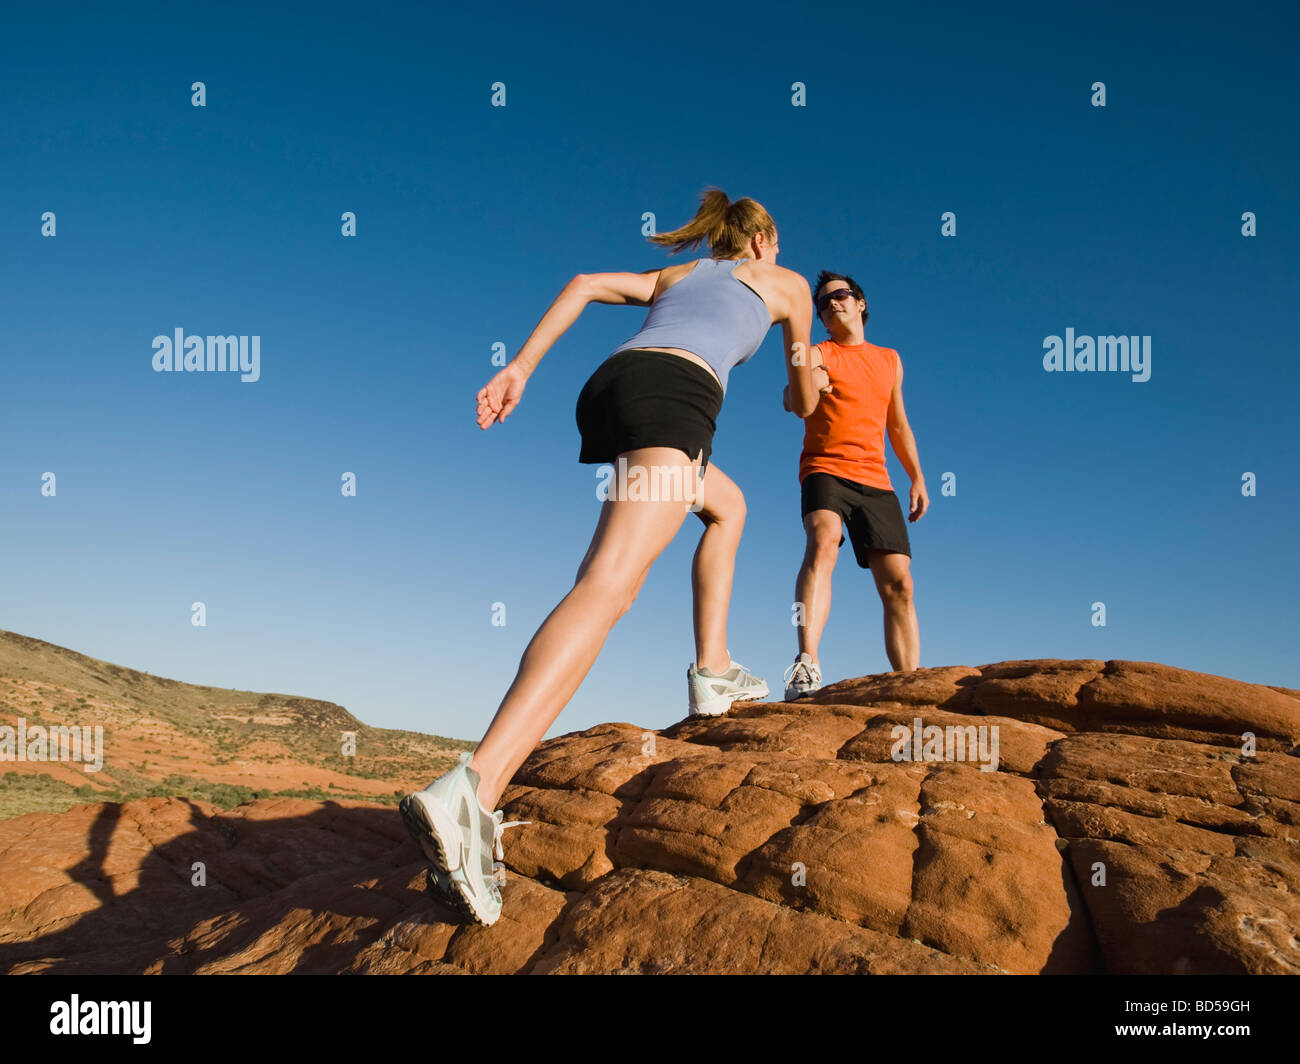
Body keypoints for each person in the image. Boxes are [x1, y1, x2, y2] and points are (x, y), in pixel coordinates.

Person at [400, 188, 820, 925]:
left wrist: (520, 369)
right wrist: (810, 377)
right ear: (764, 241)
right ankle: (474, 788)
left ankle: (713, 671)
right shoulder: (785, 284)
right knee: (608, 585)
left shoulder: (678, 277)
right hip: (676, 394)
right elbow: (803, 399)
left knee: (726, 505)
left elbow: (584, 285)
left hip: (618, 386)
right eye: (775, 245)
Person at [781, 271, 928, 701]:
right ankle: (806, 665)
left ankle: (909, 683)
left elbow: (897, 423)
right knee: (824, 540)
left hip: (876, 480)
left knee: (899, 582)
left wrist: (916, 476)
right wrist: (810, 385)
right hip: (825, 469)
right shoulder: (815, 353)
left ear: (860, 303)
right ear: (822, 320)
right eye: (823, 305)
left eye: (840, 296)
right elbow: (789, 399)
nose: (832, 305)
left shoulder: (889, 360)